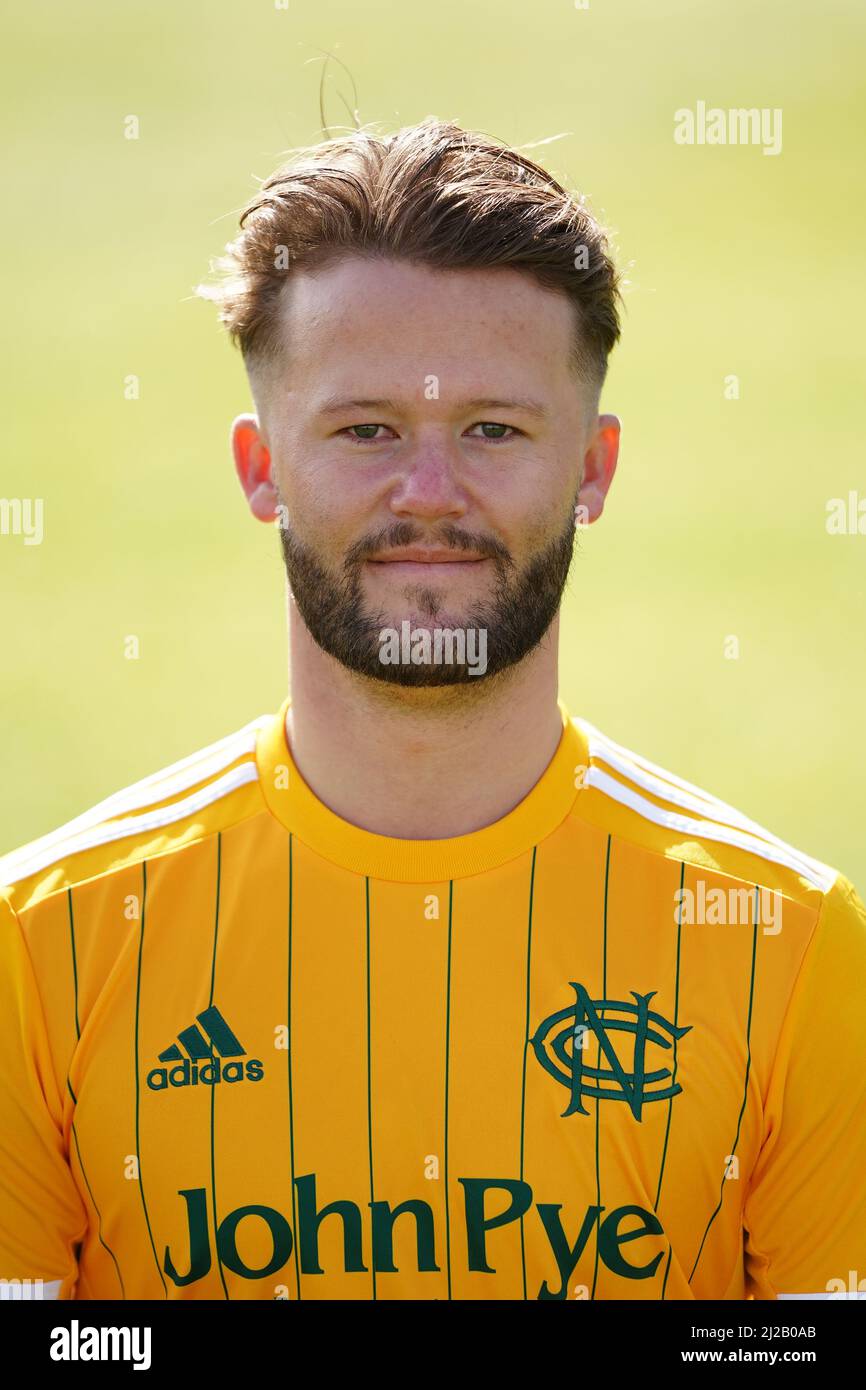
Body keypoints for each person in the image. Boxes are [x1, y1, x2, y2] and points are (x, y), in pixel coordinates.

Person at [1, 118, 864, 1302]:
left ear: (593, 467)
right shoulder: (38, 947)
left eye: (492, 430)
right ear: (260, 468)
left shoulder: (792, 946)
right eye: (366, 430)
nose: (429, 494)